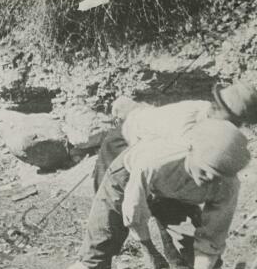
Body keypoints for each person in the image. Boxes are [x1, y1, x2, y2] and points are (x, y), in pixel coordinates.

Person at [45, 119, 250, 269]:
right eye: (204, 171)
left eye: (216, 176)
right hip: (126, 180)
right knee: (98, 249)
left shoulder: (227, 187)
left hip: (177, 198)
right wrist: (149, 250)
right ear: (191, 152)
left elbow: (211, 240)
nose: (207, 180)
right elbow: (134, 214)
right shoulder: (155, 161)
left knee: (205, 266)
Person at [93, 82, 257, 191]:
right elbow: (159, 161)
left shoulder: (215, 128)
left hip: (152, 143)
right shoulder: (186, 123)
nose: (235, 127)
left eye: (239, 122)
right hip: (125, 138)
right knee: (110, 196)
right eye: (234, 121)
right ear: (216, 106)